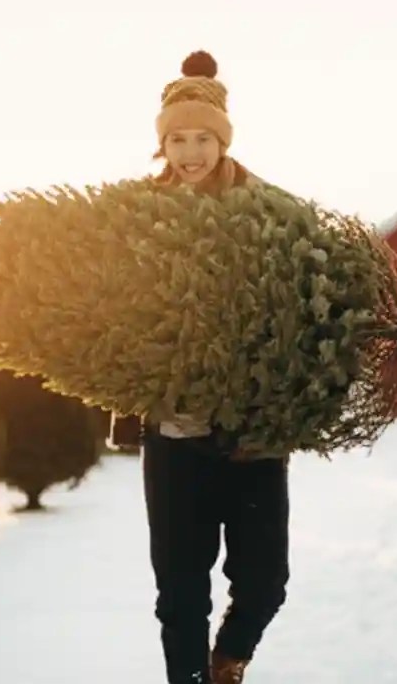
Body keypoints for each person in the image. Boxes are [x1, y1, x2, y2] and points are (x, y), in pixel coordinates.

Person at [112, 49, 288, 684]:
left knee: (266, 580)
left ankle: (227, 662)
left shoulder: (268, 207)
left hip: (252, 430)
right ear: (162, 144)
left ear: (223, 139)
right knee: (181, 592)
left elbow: (307, 279)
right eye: (178, 139)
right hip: (173, 434)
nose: (191, 152)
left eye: (204, 138)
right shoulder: (134, 214)